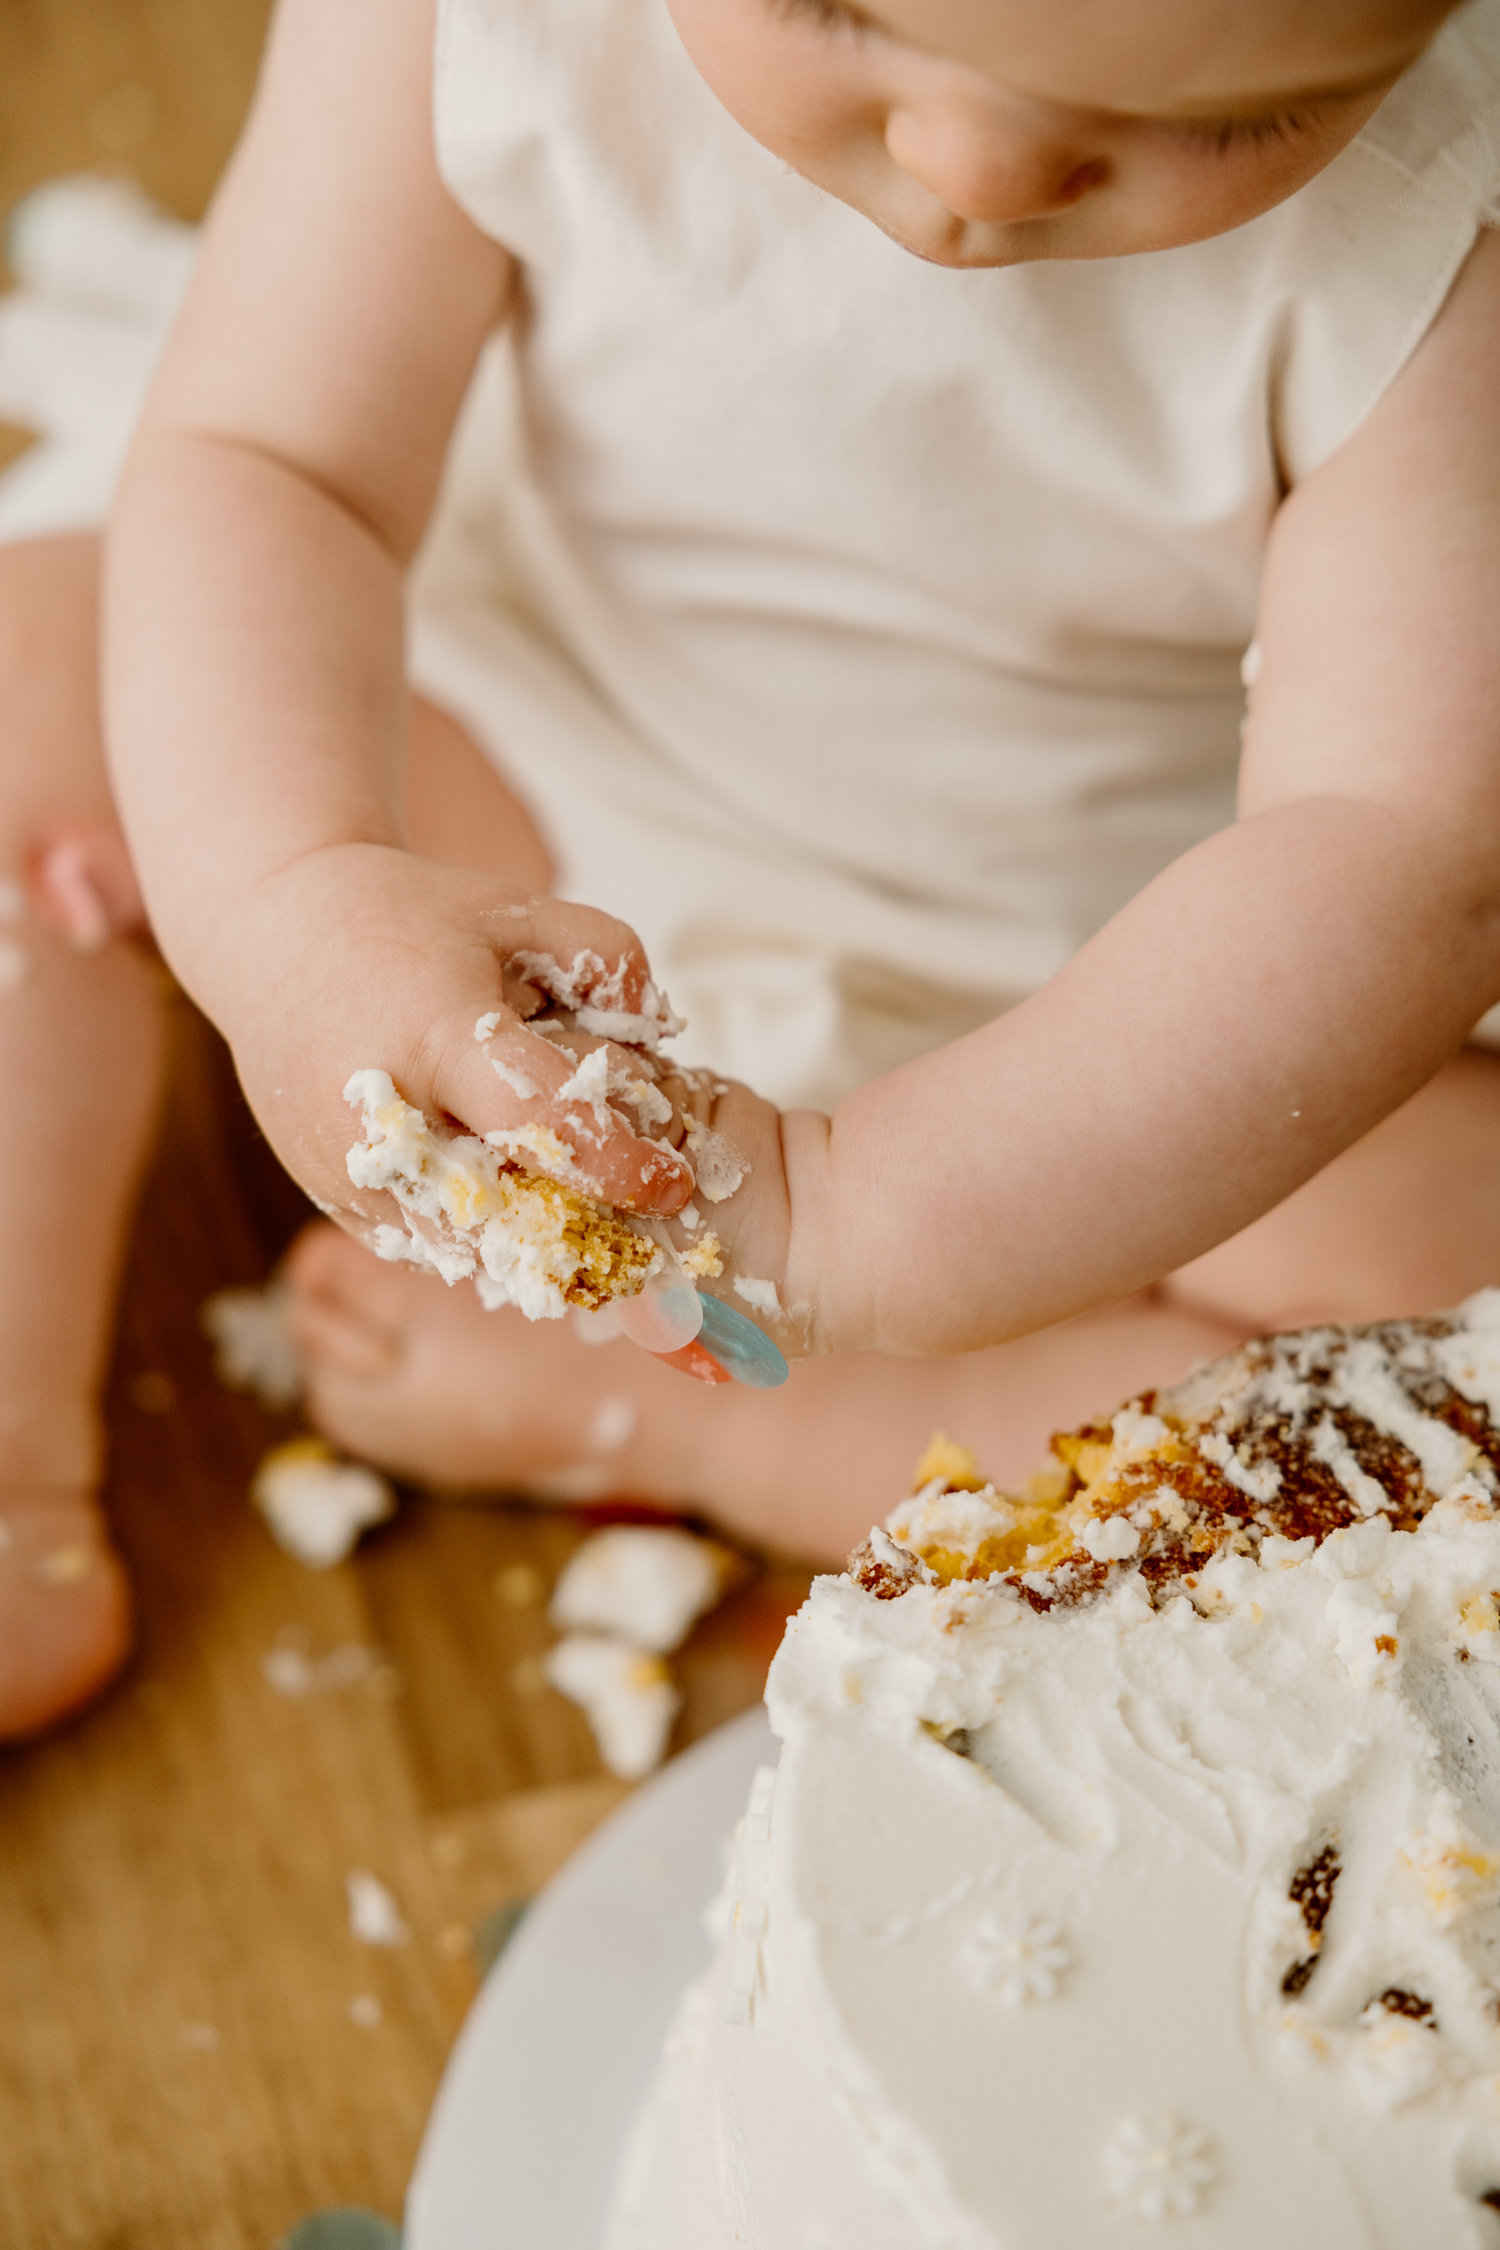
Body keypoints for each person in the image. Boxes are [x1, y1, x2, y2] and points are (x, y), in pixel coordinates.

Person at [0, 0, 1497, 1737]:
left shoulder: (1447, 243)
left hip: (1126, 1006)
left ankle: (745, 1408)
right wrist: (290, 889)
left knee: (1442, 1346)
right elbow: (280, 460)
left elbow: (1396, 848)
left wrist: (860, 1223)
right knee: (43, 677)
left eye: (1244, 123)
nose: (977, 171)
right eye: (835, 11)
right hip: (529, 740)